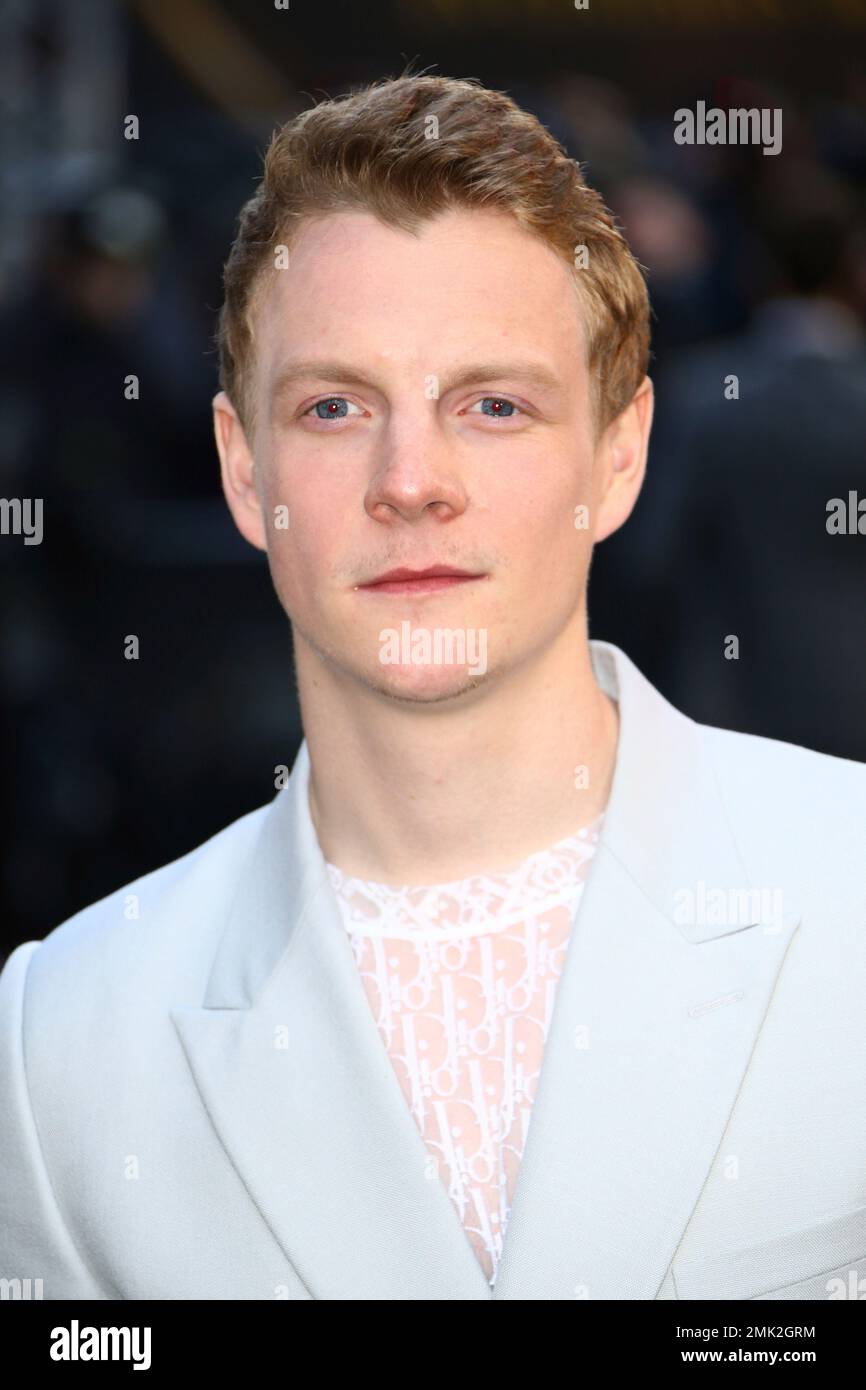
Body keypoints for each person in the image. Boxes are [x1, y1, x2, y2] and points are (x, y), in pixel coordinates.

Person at [1, 74, 864, 1303]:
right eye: (336, 406)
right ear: (244, 474)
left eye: (493, 406)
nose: (412, 480)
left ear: (617, 457)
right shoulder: (59, 1041)